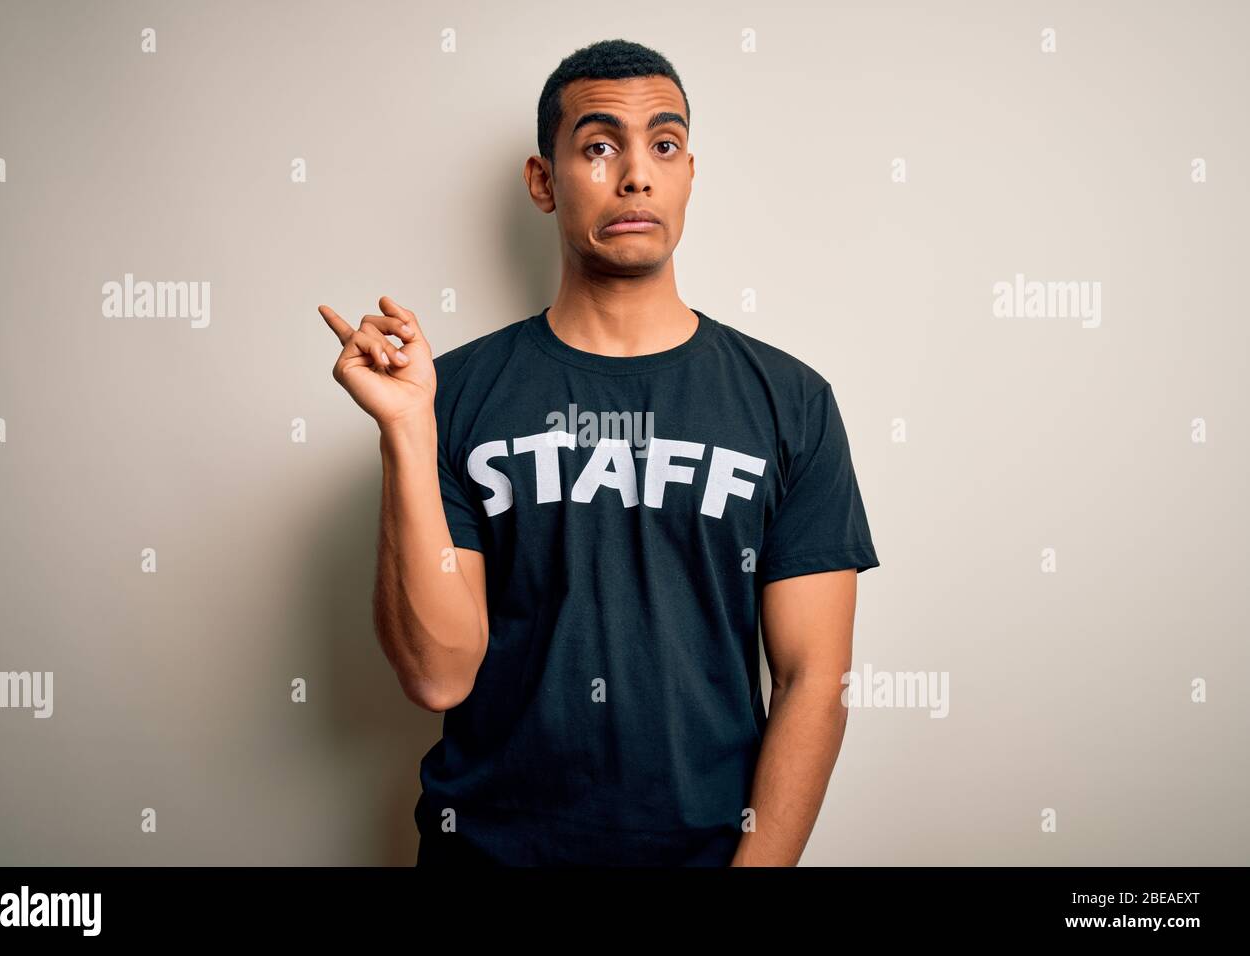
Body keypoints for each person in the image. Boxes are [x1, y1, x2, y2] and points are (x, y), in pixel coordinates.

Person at [318, 38, 880, 867]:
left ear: (690, 171)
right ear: (543, 182)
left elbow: (812, 684)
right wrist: (406, 429)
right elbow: (439, 675)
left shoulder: (791, 403)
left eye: (663, 144)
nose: (636, 176)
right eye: (599, 145)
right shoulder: (453, 395)